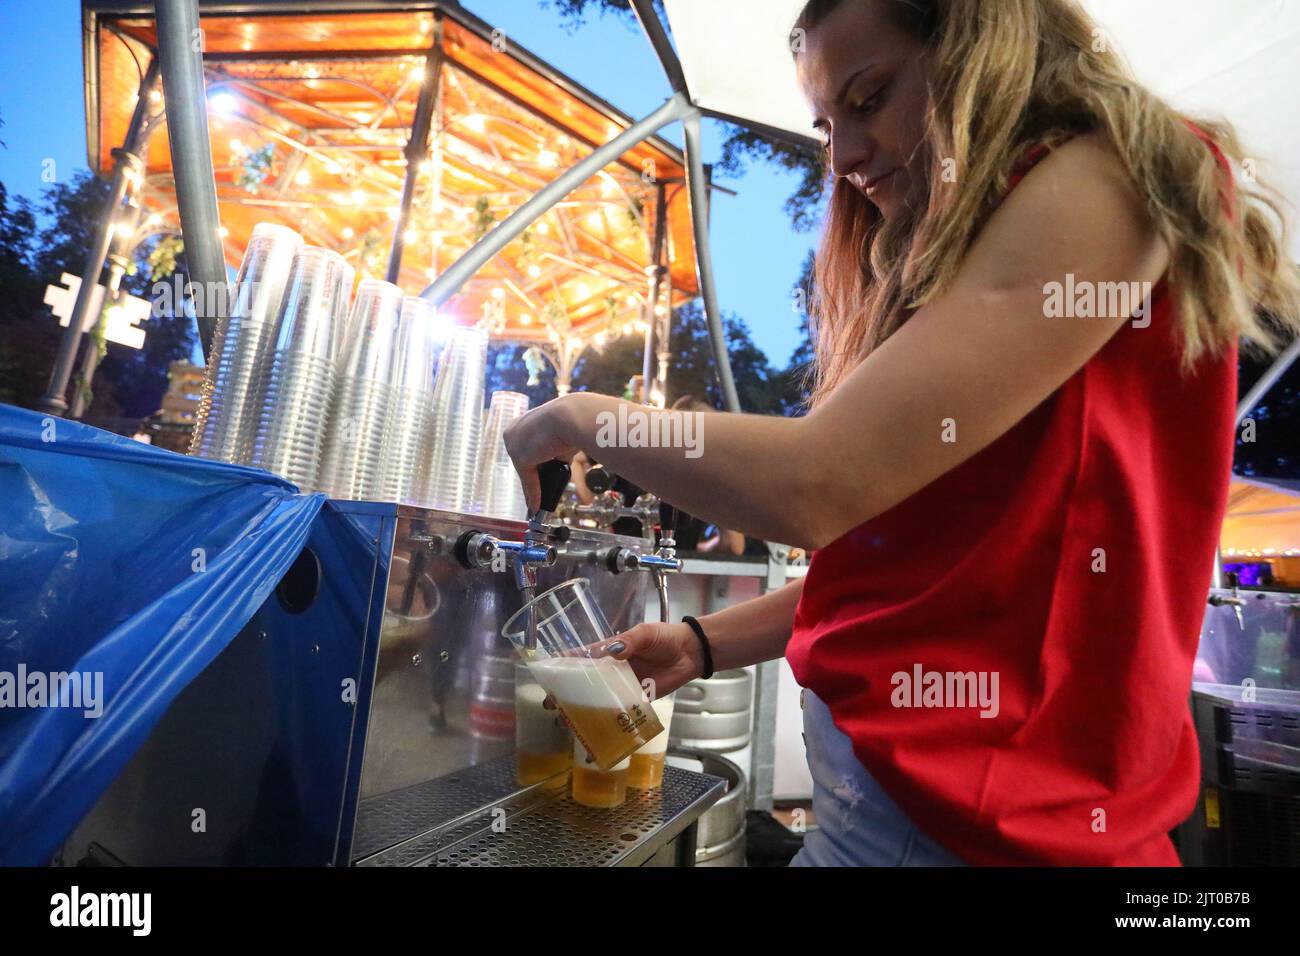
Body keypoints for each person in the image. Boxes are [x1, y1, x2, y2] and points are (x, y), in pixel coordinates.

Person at [504, 0, 1300, 865]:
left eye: (871, 96)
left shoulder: (1108, 175)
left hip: (976, 827)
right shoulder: (1008, 251)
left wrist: (582, 417)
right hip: (895, 816)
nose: (841, 157)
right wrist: (702, 644)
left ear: (977, 49)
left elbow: (818, 484)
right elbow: (923, 568)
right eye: (827, 123)